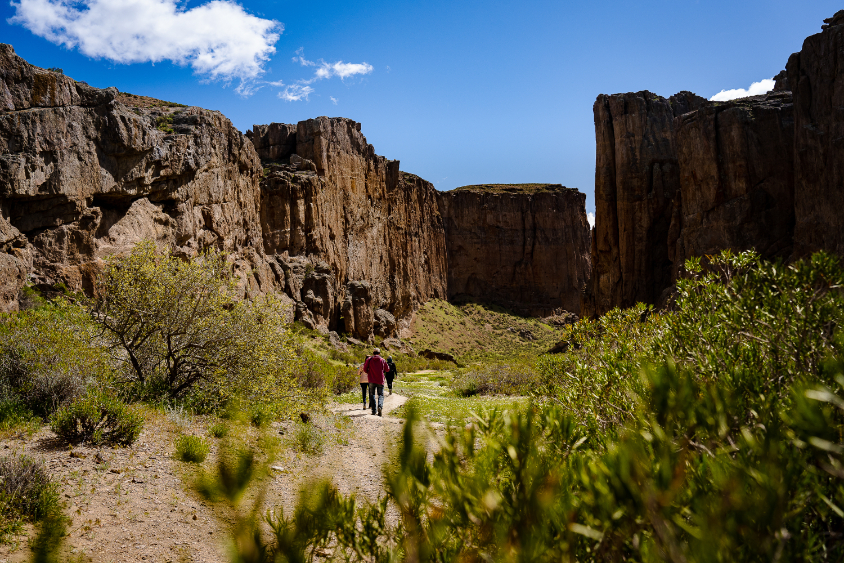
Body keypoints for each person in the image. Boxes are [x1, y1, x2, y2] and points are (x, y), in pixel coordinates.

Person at [364, 348, 389, 417]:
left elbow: (365, 369)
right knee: (380, 394)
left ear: (373, 353)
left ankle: (374, 411)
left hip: (371, 380)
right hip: (380, 380)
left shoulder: (369, 360)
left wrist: (370, 371)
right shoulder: (382, 360)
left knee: (372, 395)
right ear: (379, 353)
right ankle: (380, 407)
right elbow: (387, 369)